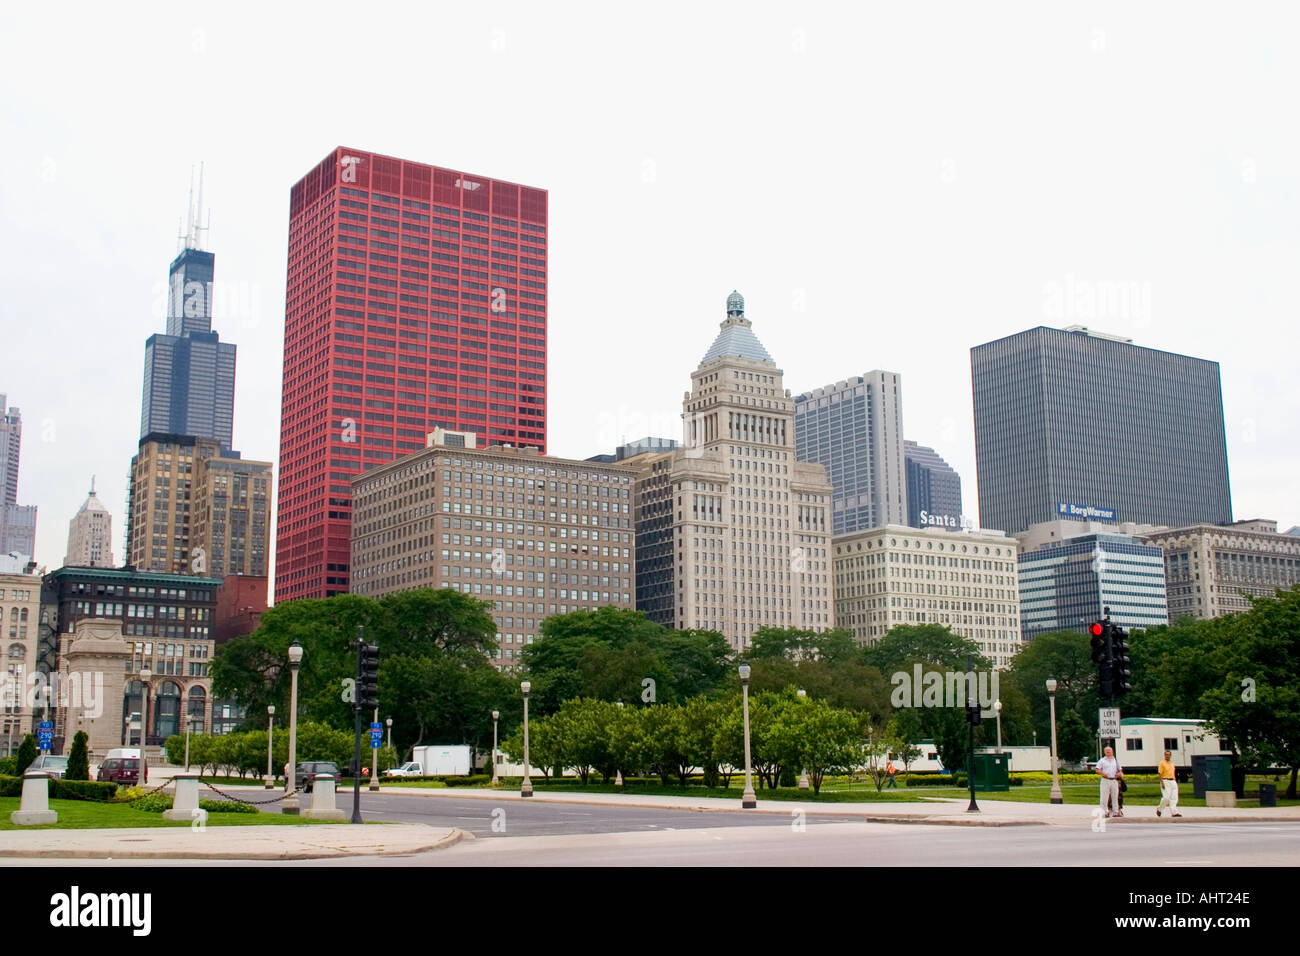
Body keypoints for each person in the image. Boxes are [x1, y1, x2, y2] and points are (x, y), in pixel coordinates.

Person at [1096, 746, 1123, 817]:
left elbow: (1120, 770)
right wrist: (1103, 774)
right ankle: (1104, 812)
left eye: (1109, 751)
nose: (1108, 752)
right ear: (1104, 752)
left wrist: (1119, 774)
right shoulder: (1102, 760)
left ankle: (1116, 812)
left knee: (1115, 796)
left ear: (1112, 752)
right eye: (1106, 751)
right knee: (1104, 797)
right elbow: (1097, 769)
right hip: (1105, 780)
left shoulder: (1115, 760)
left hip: (1114, 780)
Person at [1156, 750, 1182, 817]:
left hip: (1172, 781)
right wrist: (1162, 782)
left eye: (1169, 754)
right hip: (1165, 781)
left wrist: (1175, 783)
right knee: (1166, 798)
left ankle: (1174, 812)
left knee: (1174, 798)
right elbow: (1160, 773)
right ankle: (1159, 809)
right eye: (1166, 754)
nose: (1167, 756)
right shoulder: (1162, 763)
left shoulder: (1171, 764)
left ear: (1170, 755)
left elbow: (1173, 774)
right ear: (1164, 755)